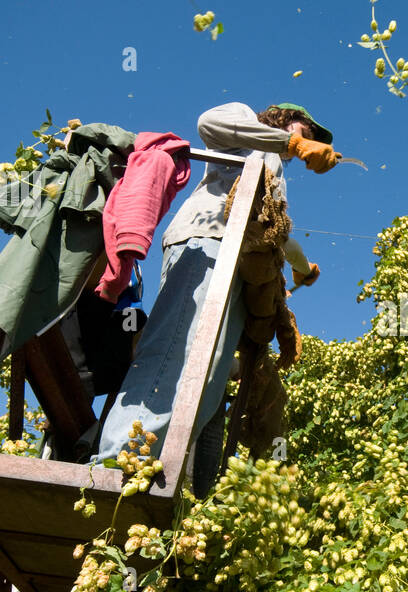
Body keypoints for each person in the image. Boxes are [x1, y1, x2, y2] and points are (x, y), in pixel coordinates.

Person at [94, 100, 339, 475]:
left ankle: (157, 464)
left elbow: (276, 228)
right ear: (291, 120)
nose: (313, 144)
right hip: (207, 243)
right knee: (176, 348)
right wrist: (291, 144)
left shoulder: (273, 168)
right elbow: (209, 123)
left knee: (210, 373)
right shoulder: (248, 126)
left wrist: (303, 268)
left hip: (240, 264)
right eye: (310, 133)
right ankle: (120, 456)